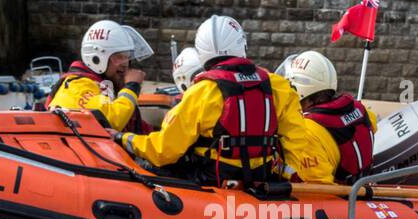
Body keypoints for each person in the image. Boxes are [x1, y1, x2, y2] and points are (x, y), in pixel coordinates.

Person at [115, 15, 334, 185]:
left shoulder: (202, 92)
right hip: (261, 181)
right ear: (242, 45)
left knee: (147, 170)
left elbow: (163, 151)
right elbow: (298, 145)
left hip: (211, 180)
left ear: (202, 53)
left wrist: (125, 138)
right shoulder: (278, 86)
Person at [282, 51, 378, 184]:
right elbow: (372, 126)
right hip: (362, 185)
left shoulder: (307, 132)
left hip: (338, 197)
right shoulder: (359, 109)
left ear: (300, 91)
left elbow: (318, 186)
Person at [46, 20, 152, 132]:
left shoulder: (104, 86)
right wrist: (131, 87)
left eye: (127, 57)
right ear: (97, 58)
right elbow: (111, 121)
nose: (125, 64)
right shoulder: (76, 87)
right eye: (119, 57)